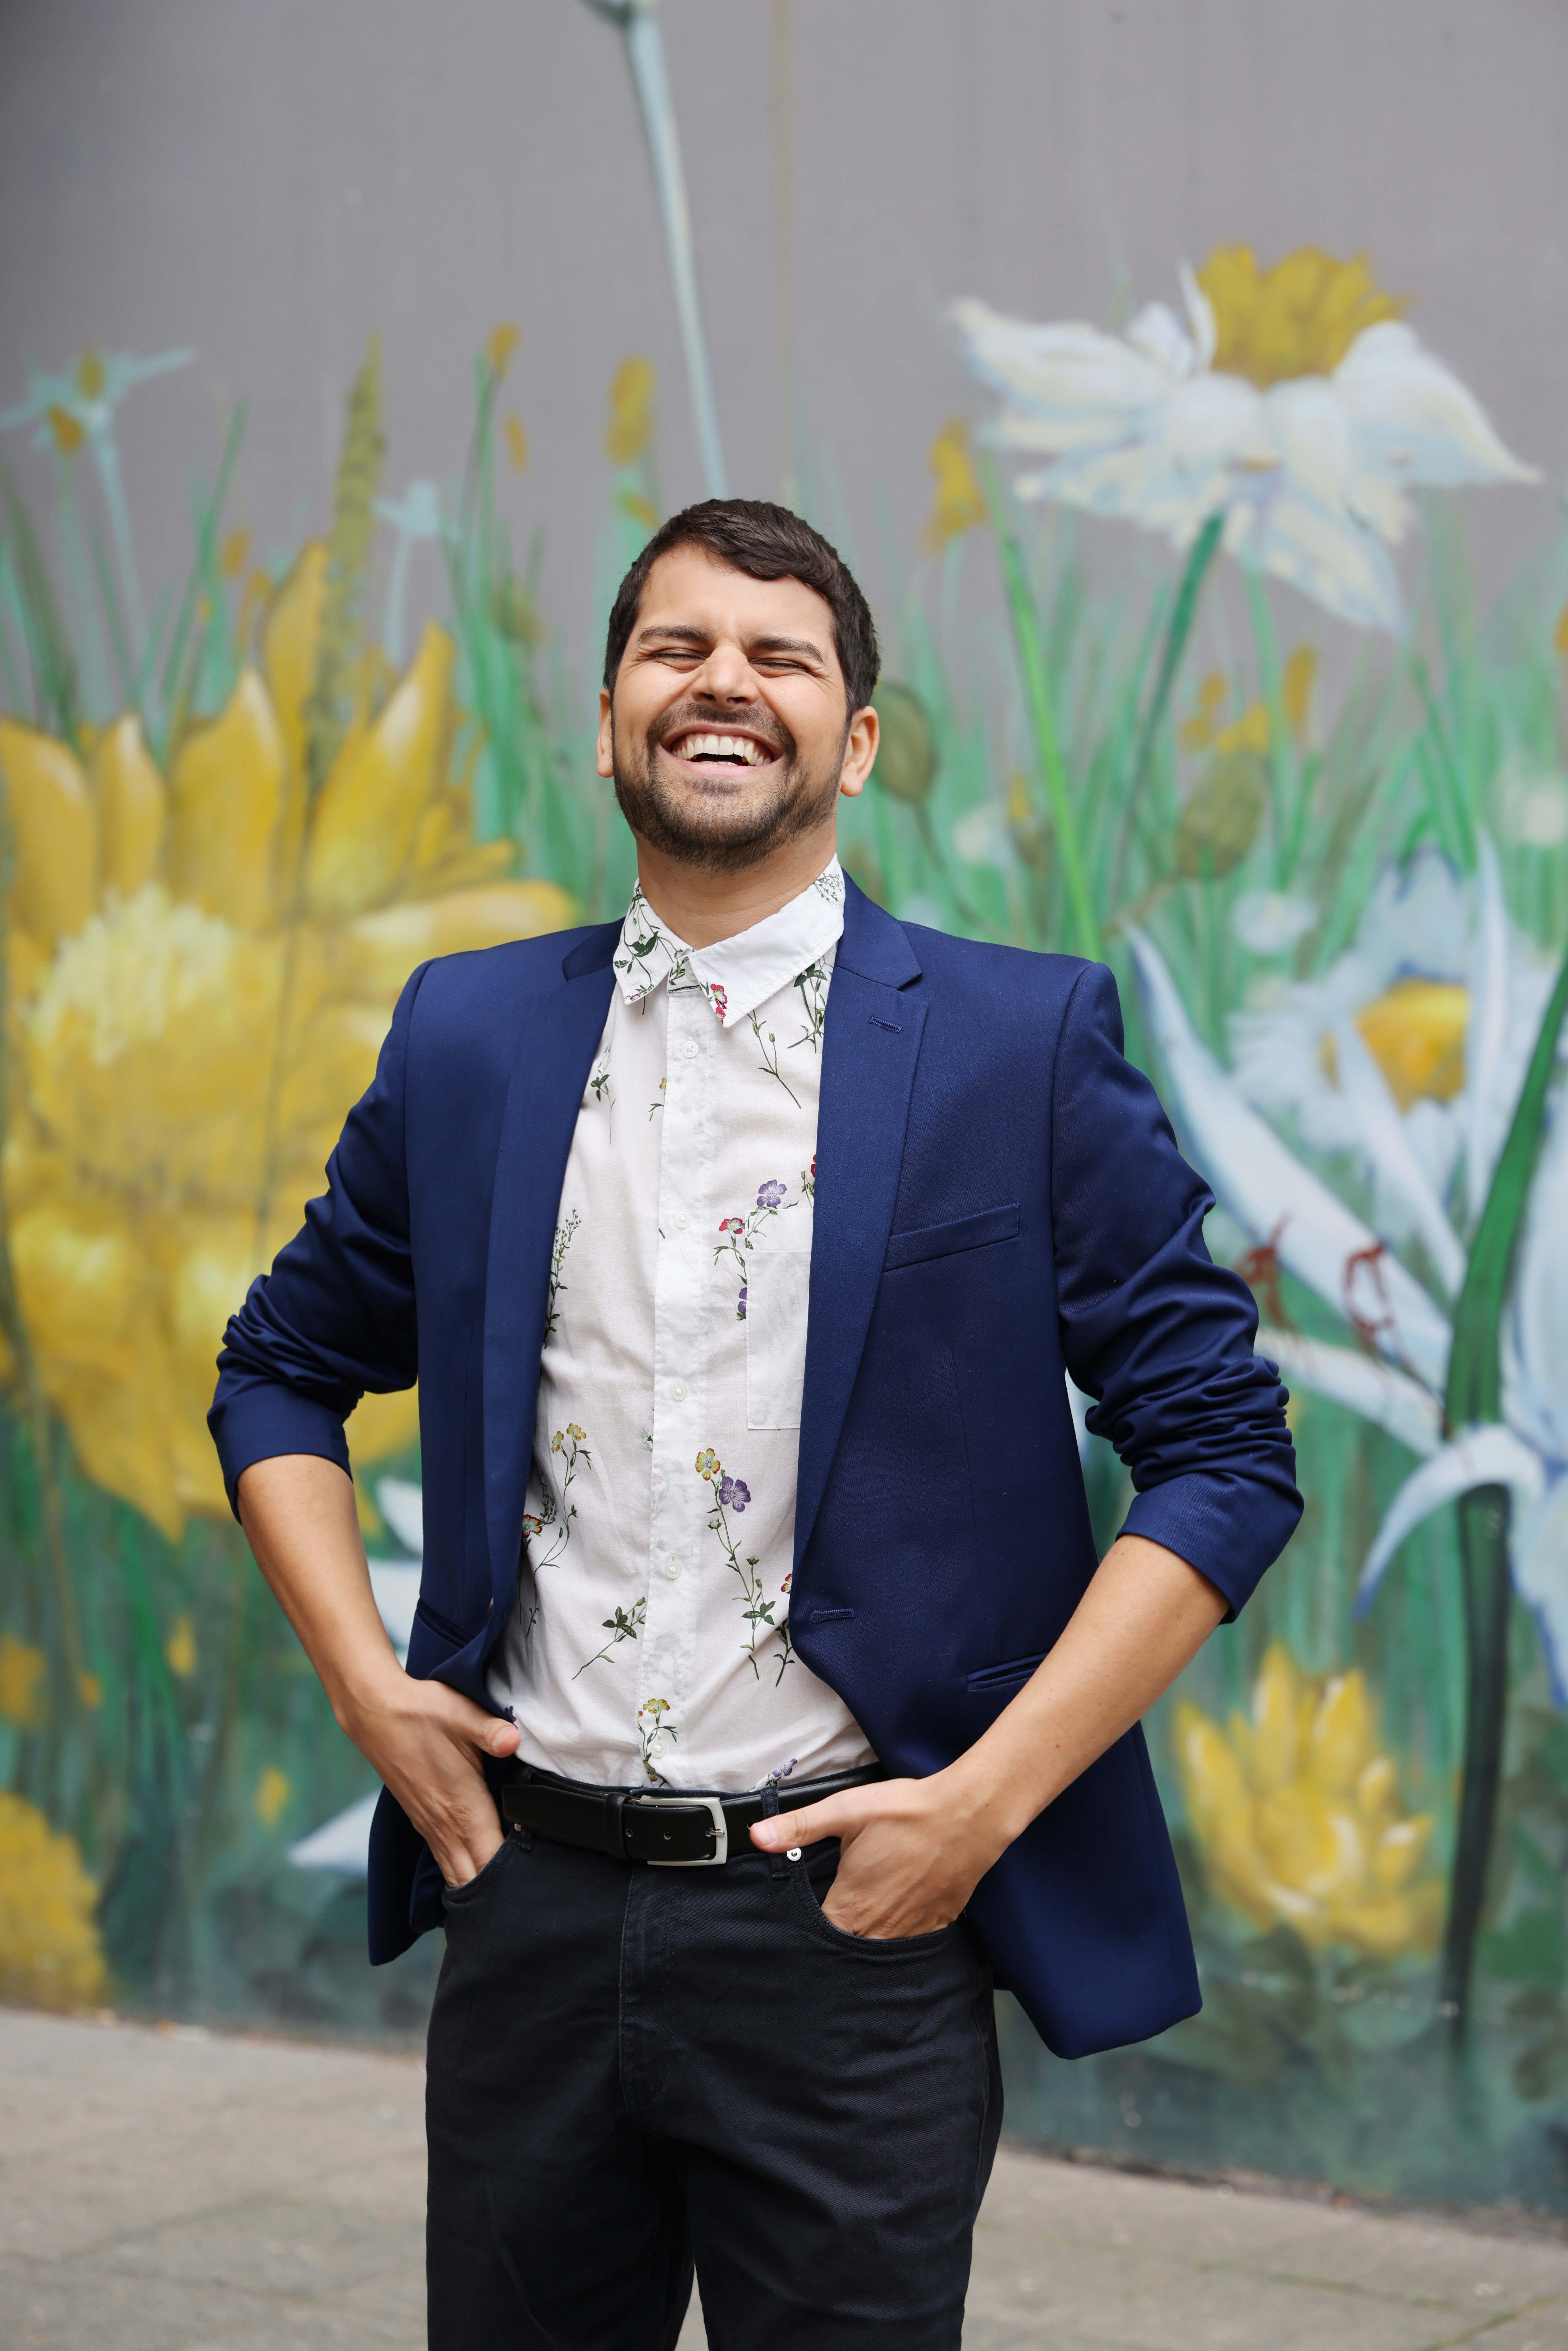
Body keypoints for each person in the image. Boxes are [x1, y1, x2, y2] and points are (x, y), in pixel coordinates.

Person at [210, 498, 1300, 2351]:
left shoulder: (1014, 1043)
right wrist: (367, 1692)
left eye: (778, 657)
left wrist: (976, 1811)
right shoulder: (469, 1036)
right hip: (529, 1908)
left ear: (852, 741)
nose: (723, 683)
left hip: (851, 1929)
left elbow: (1221, 1447)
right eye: (676, 648)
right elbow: (277, 1367)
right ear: (609, 719)